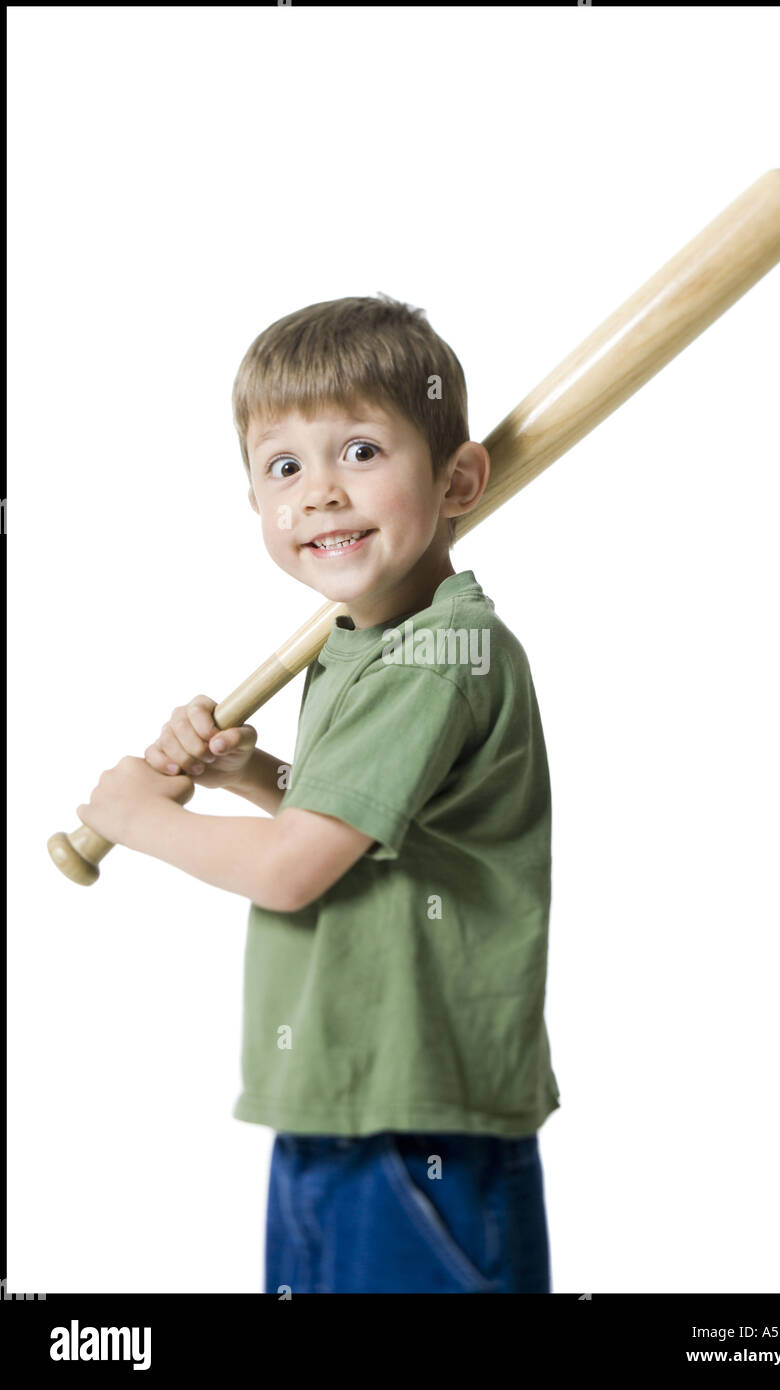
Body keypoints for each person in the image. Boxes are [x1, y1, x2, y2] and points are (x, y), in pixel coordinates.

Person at [77, 293, 561, 1293]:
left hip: (411, 1122)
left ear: (459, 477)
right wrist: (248, 773)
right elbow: (366, 829)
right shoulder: (366, 645)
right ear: (255, 503)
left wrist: (145, 819)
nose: (321, 492)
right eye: (284, 466)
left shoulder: (436, 654)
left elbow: (296, 871)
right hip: (335, 1105)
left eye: (362, 452)